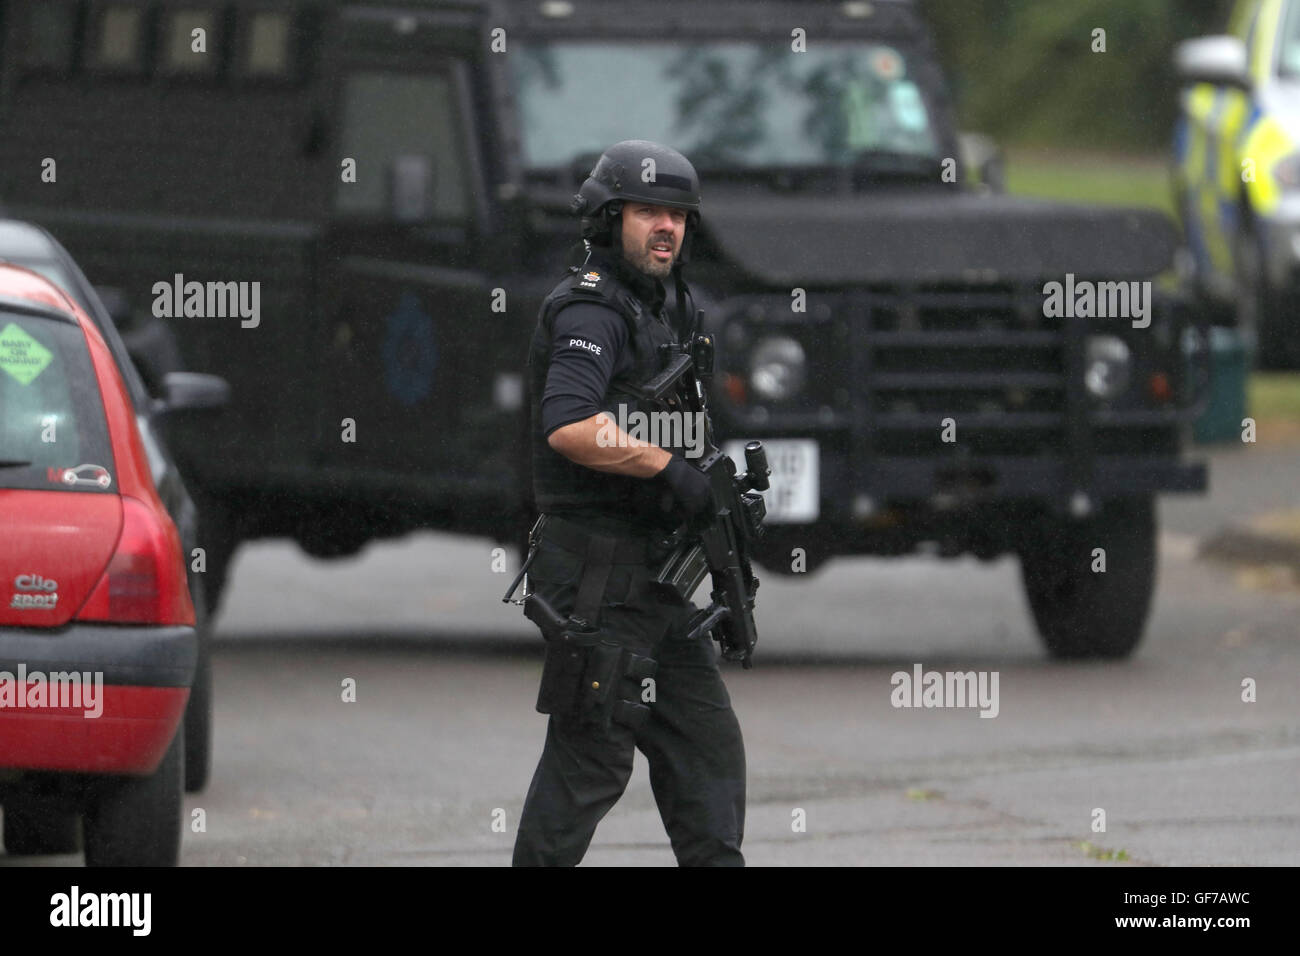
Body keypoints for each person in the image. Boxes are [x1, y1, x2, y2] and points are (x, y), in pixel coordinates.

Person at [512, 140, 746, 867]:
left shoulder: (669, 308)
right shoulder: (592, 309)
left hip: (655, 580)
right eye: (648, 211)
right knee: (589, 765)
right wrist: (669, 470)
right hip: (596, 579)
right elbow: (570, 425)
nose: (666, 227)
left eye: (677, 214)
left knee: (708, 754)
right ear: (610, 220)